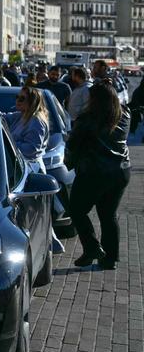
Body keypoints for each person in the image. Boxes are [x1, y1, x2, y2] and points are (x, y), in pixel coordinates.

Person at [65, 83, 132, 269]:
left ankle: (92, 248)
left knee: (76, 210)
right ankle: (109, 258)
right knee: (108, 214)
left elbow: (73, 145)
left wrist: (69, 163)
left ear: (94, 100)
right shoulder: (124, 115)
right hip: (120, 171)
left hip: (93, 172)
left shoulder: (87, 119)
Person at [0, 86, 49, 169]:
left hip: (31, 169)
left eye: (22, 98)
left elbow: (31, 149)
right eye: (17, 97)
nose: (18, 100)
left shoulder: (36, 121)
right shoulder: (21, 115)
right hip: (20, 165)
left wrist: (8, 143)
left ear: (32, 101)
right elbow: (2, 118)